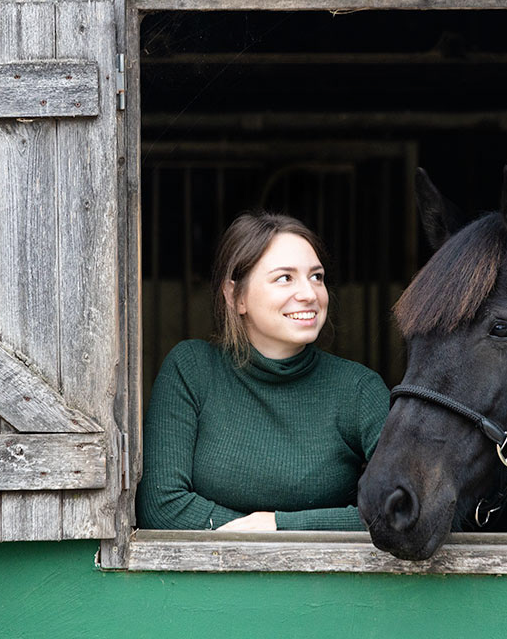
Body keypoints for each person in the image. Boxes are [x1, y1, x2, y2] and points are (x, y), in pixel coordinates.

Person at [135, 212, 390, 531]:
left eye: (317, 277)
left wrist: (275, 527)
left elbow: (402, 511)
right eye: (285, 278)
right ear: (236, 296)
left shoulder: (359, 389)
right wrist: (250, 531)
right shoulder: (192, 370)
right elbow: (161, 507)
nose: (310, 294)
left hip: (325, 579)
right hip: (208, 579)